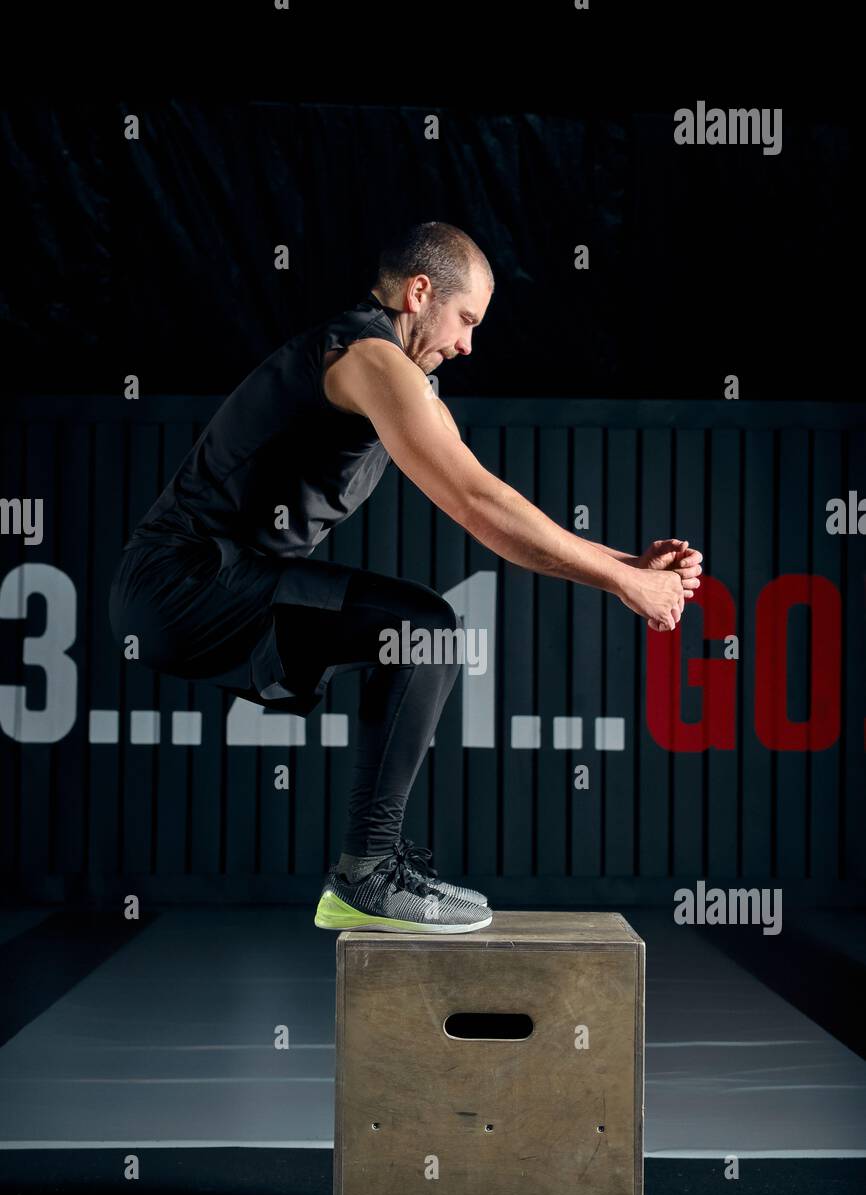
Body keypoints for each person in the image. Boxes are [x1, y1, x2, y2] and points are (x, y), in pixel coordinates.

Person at [108, 221, 702, 934]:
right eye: (465, 320)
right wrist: (624, 587)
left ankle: (367, 870)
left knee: (425, 634)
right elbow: (479, 510)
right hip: (179, 585)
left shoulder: (406, 379)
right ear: (420, 292)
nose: (467, 344)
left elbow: (495, 494)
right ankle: (368, 872)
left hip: (220, 582)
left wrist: (624, 563)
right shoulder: (368, 358)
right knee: (425, 631)